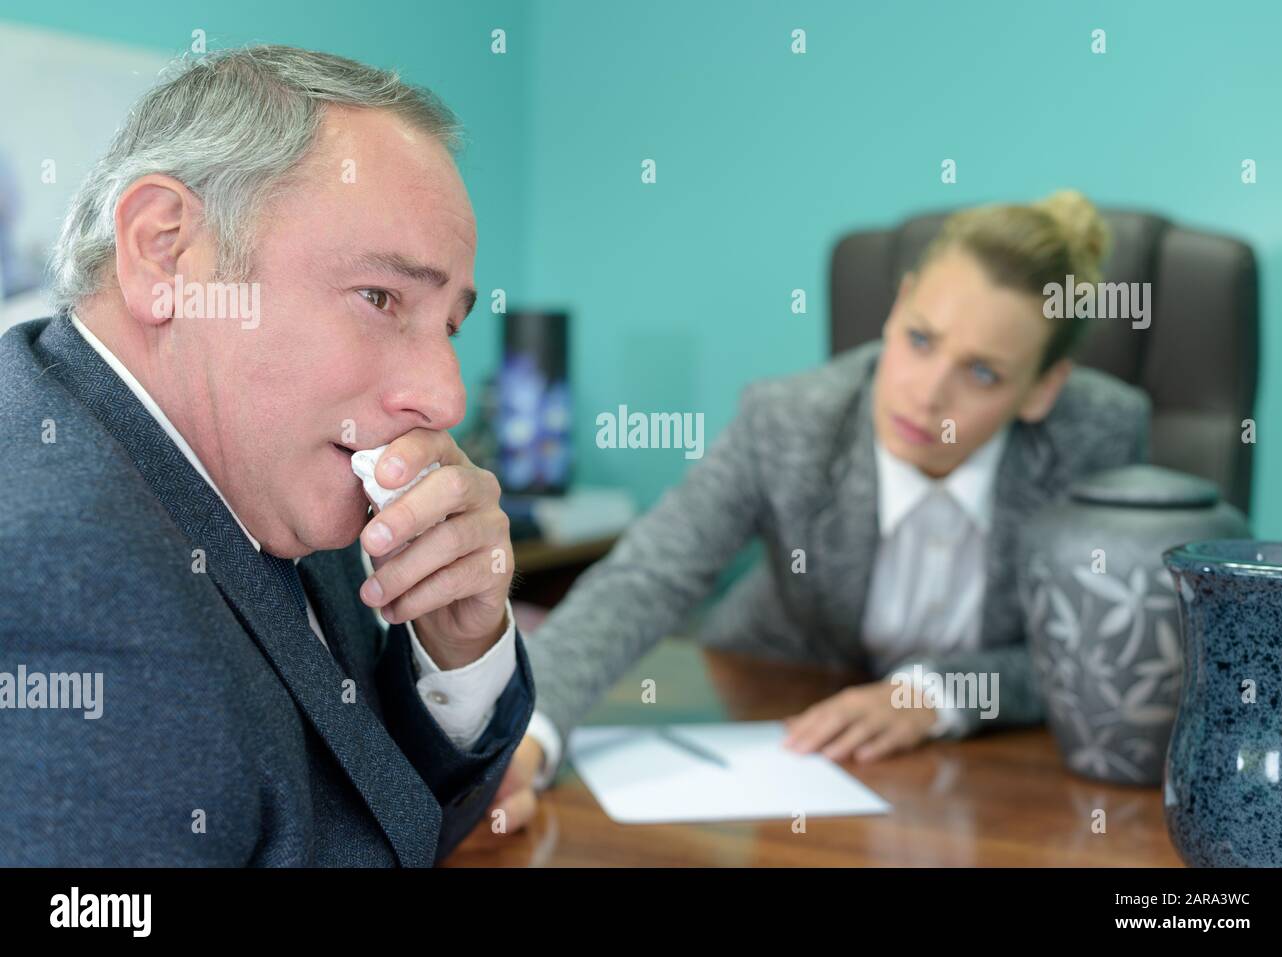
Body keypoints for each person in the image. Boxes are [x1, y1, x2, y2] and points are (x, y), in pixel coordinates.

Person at [0, 46, 533, 866]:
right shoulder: (54, 575)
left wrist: (457, 651)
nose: (446, 399)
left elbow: (374, 827)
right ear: (165, 252)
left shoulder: (260, 468)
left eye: (450, 325)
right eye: (380, 298)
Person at [490, 190, 1152, 831]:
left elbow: (1115, 656)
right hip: (772, 734)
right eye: (920, 339)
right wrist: (529, 734)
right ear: (896, 309)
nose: (927, 394)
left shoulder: (1095, 436)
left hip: (985, 785)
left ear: (1042, 388)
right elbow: (647, 575)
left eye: (982, 374)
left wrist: (941, 694)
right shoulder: (789, 421)